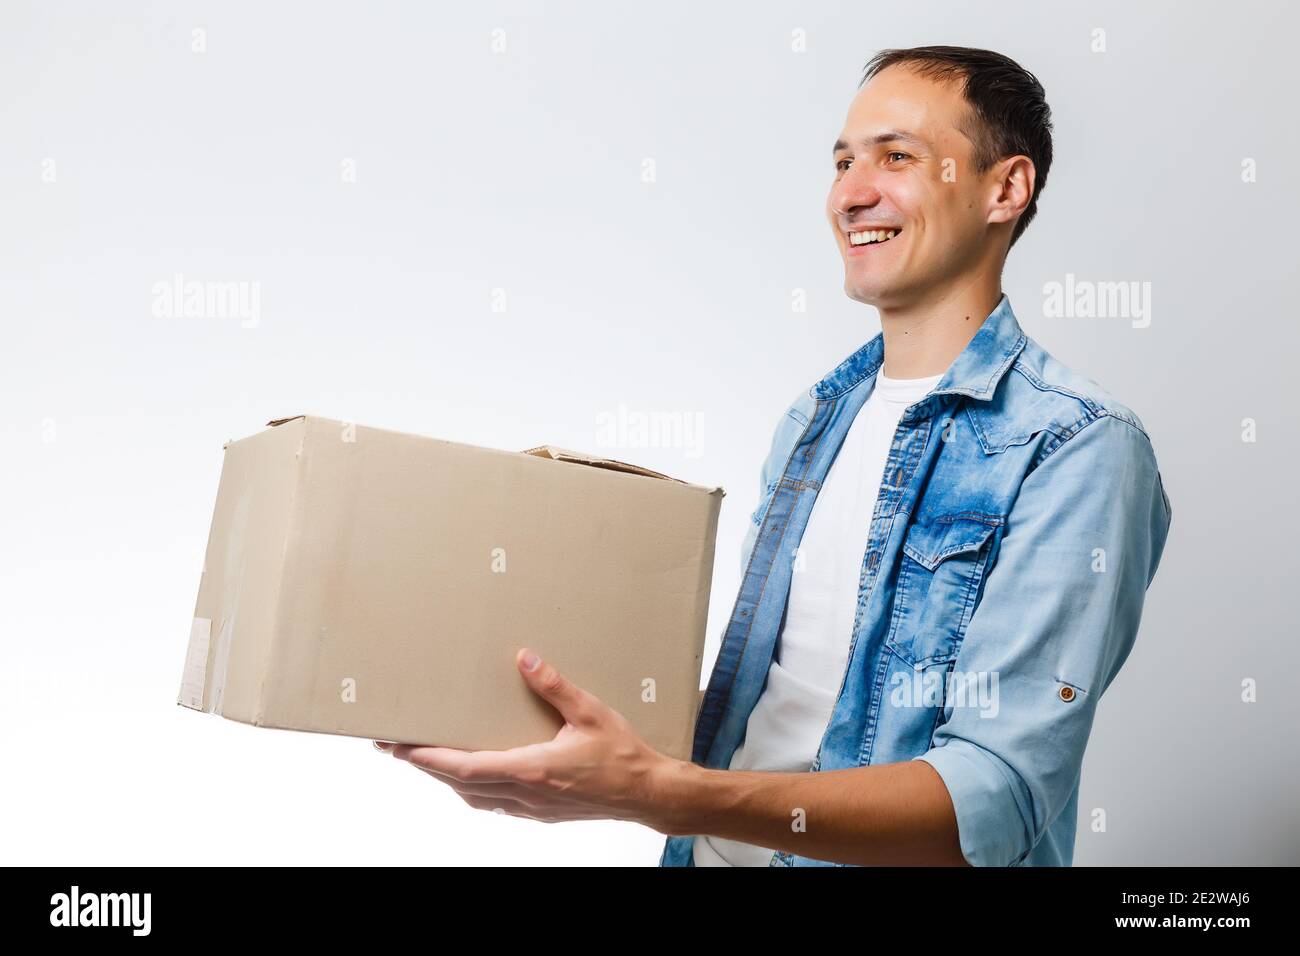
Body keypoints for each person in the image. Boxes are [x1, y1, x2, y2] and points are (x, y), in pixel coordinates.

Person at [377, 45, 1172, 867]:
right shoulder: (814, 421)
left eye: (896, 157)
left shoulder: (1078, 446)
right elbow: (775, 710)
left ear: (1004, 189)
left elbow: (991, 800)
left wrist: (654, 792)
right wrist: (503, 702)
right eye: (842, 161)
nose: (849, 194)